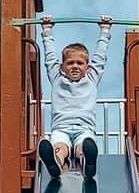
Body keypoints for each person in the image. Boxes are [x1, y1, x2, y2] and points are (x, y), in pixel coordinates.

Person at [38, 14, 112, 180]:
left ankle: (87, 160)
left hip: (84, 128)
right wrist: (47, 31)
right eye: (70, 63)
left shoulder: (91, 78)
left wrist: (105, 31)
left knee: (82, 146)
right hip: (61, 128)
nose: (75, 66)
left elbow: (100, 57)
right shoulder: (57, 78)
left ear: (87, 67)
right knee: (60, 146)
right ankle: (55, 162)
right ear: (62, 66)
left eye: (80, 63)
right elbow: (50, 58)